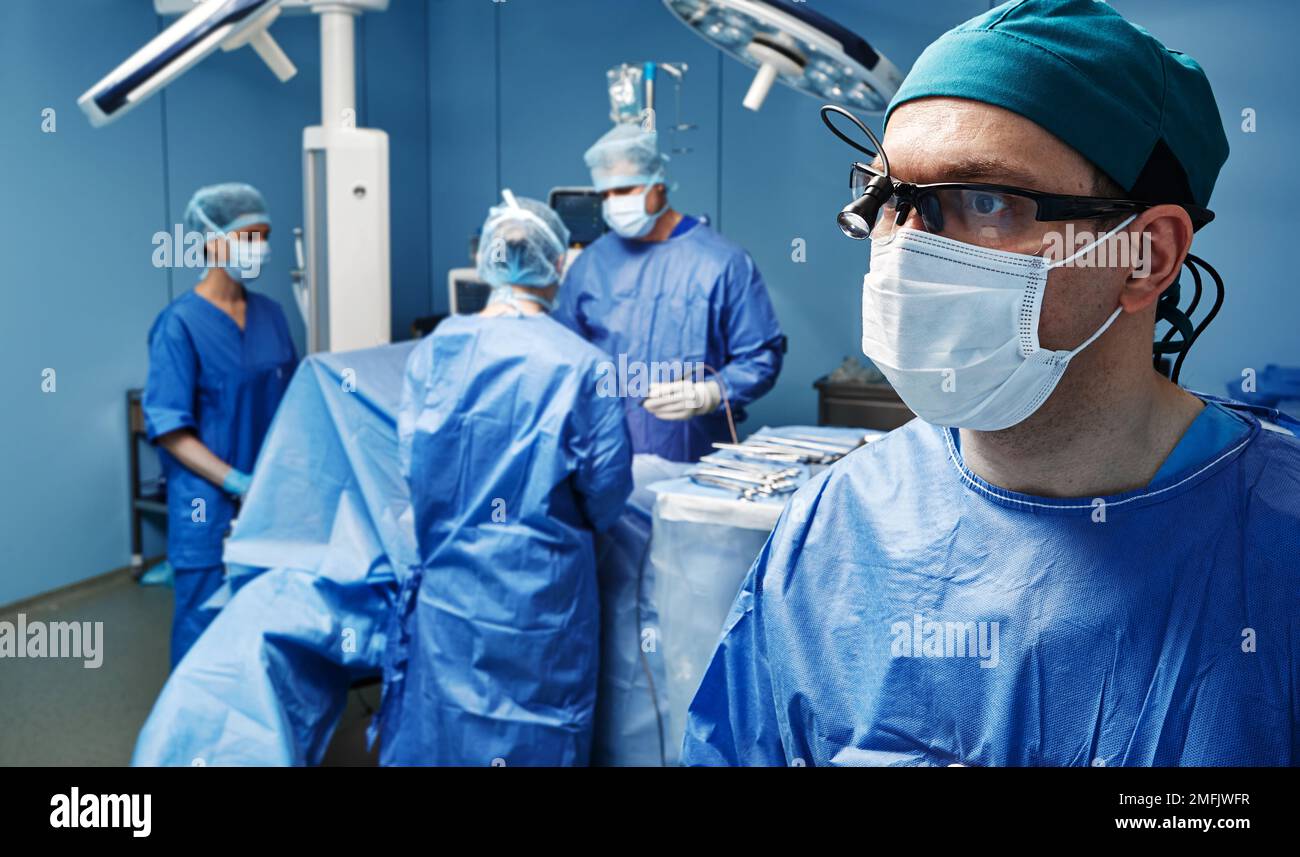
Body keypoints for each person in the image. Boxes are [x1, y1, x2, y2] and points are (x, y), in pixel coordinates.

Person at [682, 0, 1300, 766]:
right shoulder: (837, 526)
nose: (905, 251)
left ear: (1146, 256)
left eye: (982, 201)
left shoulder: (1275, 547)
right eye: (887, 199)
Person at [375, 192, 634, 766]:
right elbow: (608, 491)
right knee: (535, 736)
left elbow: (412, 470)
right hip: (540, 603)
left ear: (487, 260)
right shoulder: (580, 364)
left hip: (451, 595)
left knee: (448, 731)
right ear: (557, 263)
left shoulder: (434, 350)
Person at [554, 123, 785, 462]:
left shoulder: (722, 262)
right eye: (606, 195)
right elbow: (564, 355)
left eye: (625, 190)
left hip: (692, 455)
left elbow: (761, 356)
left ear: (658, 184)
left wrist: (708, 393)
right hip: (603, 454)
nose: (614, 203)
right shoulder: (591, 264)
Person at [143, 183, 297, 668]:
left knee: (266, 627)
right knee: (204, 636)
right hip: (205, 507)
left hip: (268, 501)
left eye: (264, 236)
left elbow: (292, 402)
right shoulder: (179, 325)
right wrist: (235, 481)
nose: (261, 248)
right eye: (250, 236)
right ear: (212, 242)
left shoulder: (271, 314)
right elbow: (169, 427)